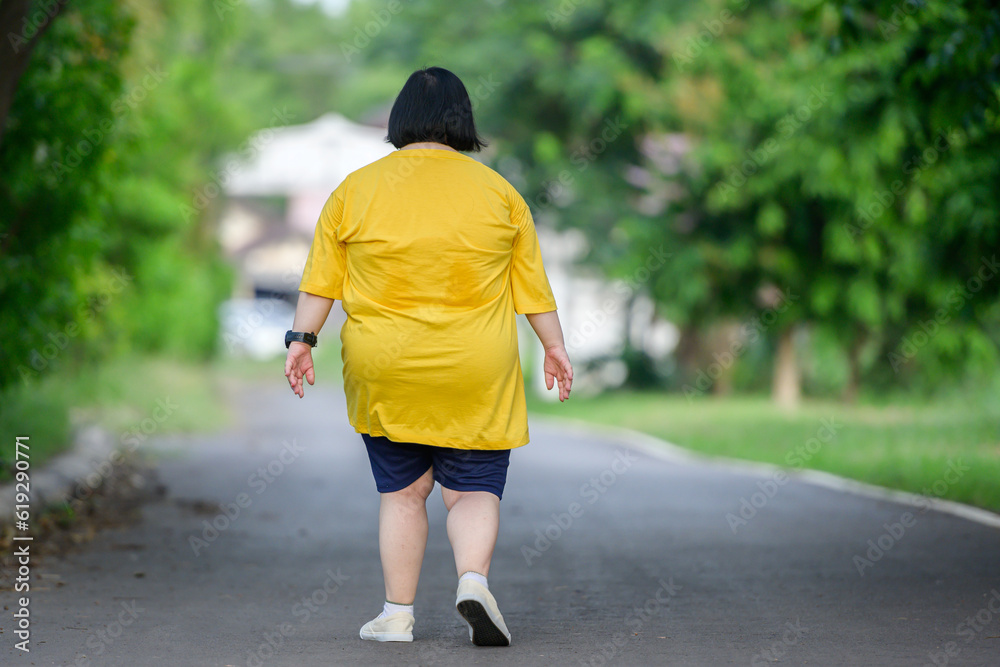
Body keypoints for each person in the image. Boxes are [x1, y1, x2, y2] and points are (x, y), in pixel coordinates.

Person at [283, 66, 573, 647]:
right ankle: (473, 581)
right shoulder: (500, 193)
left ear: (400, 118)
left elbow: (321, 284)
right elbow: (532, 290)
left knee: (402, 493)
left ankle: (396, 615)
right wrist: (554, 346)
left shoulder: (355, 190)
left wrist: (301, 340)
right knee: (472, 491)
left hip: (385, 366)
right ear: (463, 120)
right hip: (476, 366)